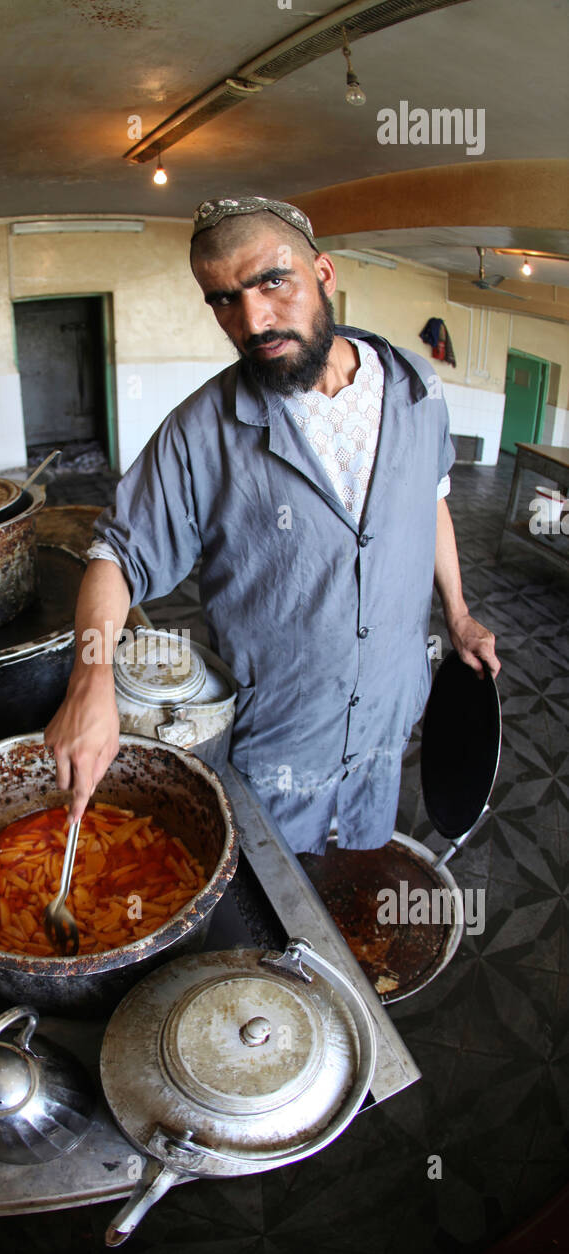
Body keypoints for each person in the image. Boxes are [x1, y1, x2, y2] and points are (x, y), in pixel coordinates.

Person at [44, 195, 499, 854]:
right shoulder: (202, 430)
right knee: (275, 897)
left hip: (388, 710)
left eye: (271, 282)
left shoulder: (414, 388)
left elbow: (431, 496)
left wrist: (456, 612)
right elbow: (115, 556)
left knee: (358, 866)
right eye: (224, 299)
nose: (252, 319)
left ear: (324, 274)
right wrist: (90, 682)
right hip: (278, 730)